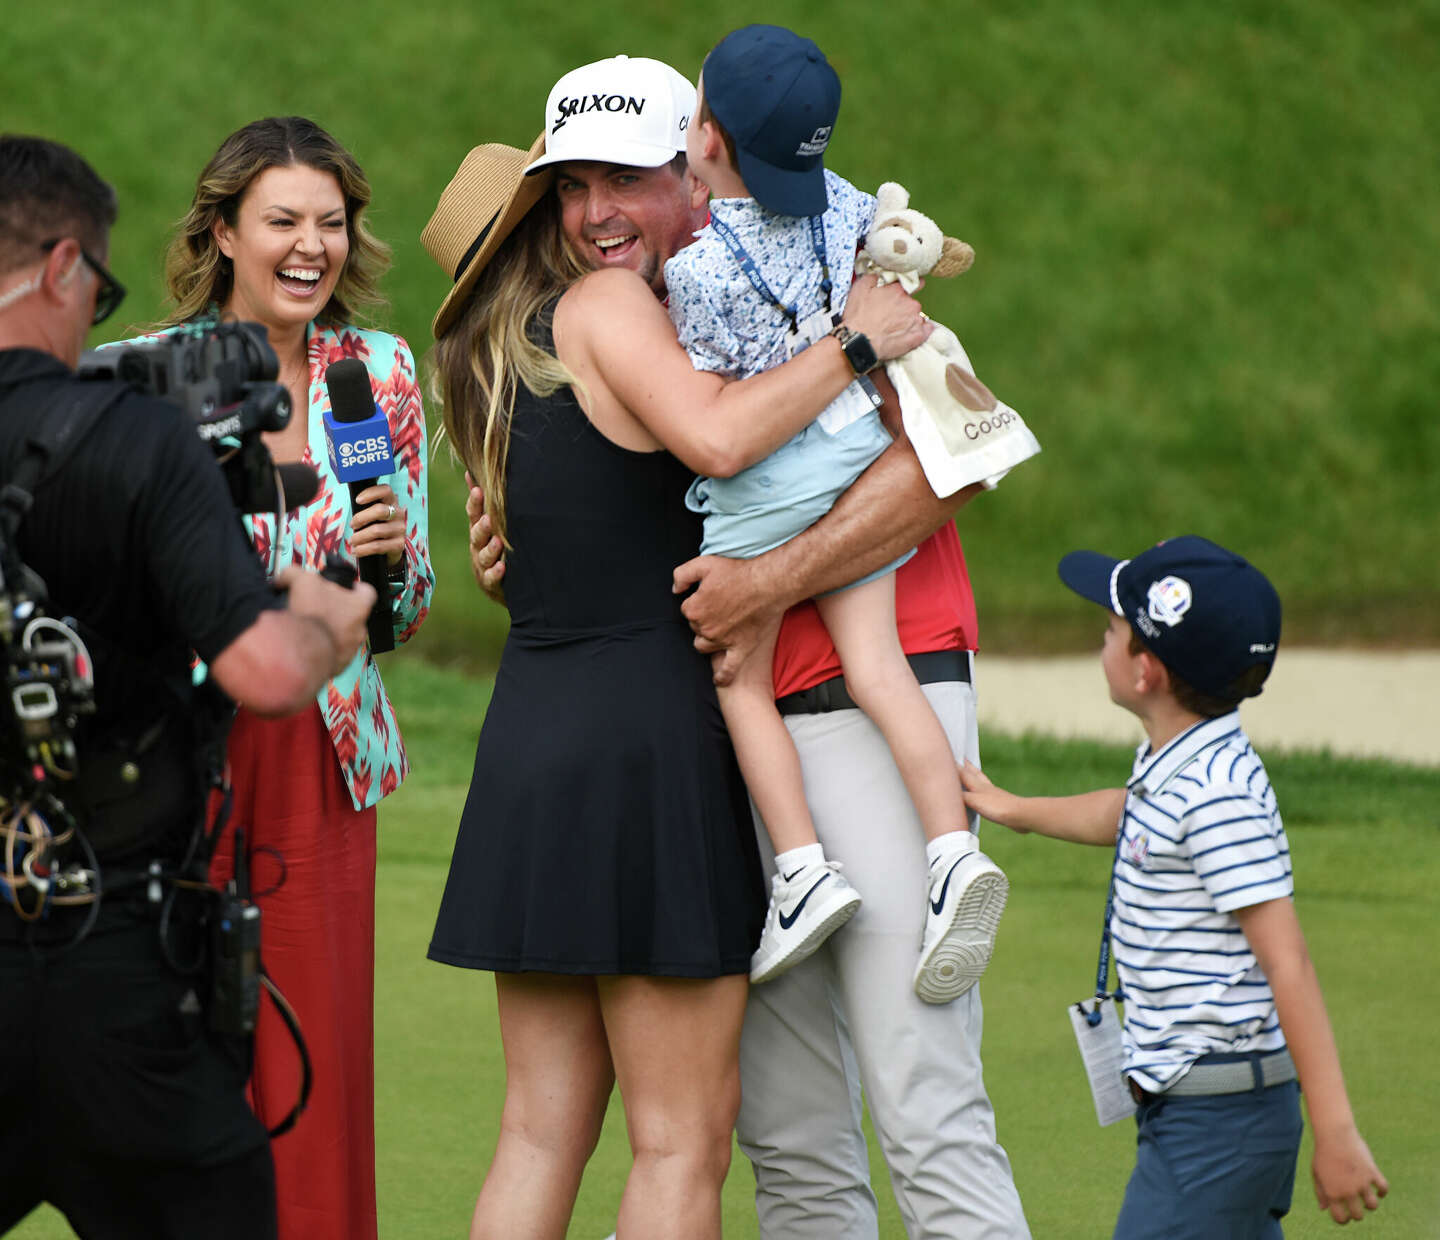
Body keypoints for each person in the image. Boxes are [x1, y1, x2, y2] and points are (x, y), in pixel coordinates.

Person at [467, 54, 1032, 1240]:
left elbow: (963, 450)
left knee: (924, 1111)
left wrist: (764, 582)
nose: (597, 212)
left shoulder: (843, 265)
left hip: (878, 702)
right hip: (731, 748)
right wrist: (516, 534)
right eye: (574, 187)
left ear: (699, 165)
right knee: (791, 1145)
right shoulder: (650, 320)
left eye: (628, 179)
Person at [0, 134, 373, 1239]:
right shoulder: (135, 435)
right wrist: (325, 626)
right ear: (66, 269)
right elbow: (261, 671)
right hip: (108, 950)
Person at [136, 116, 434, 1240]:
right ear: (223, 231)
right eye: (282, 222)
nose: (310, 246)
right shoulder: (159, 378)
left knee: (315, 1049)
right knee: (183, 1053)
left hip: (324, 750)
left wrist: (393, 552)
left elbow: (403, 615)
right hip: (190, 752)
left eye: (330, 222)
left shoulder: (382, 374)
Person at [666, 24, 1009, 996]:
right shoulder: (850, 205)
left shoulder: (692, 267)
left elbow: (717, 406)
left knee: (740, 676)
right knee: (878, 663)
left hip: (771, 475)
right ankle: (950, 851)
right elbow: (898, 249)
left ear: (708, 136)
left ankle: (804, 870)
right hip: (860, 451)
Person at [958, 536, 1388, 1237]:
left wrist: (1335, 1131)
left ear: (1145, 672)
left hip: (1219, 1119)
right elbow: (1126, 813)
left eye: (1112, 630)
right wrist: (1016, 810)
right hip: (1198, 1108)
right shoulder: (1179, 761)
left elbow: (1289, 963)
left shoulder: (1217, 797)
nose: (1102, 638)